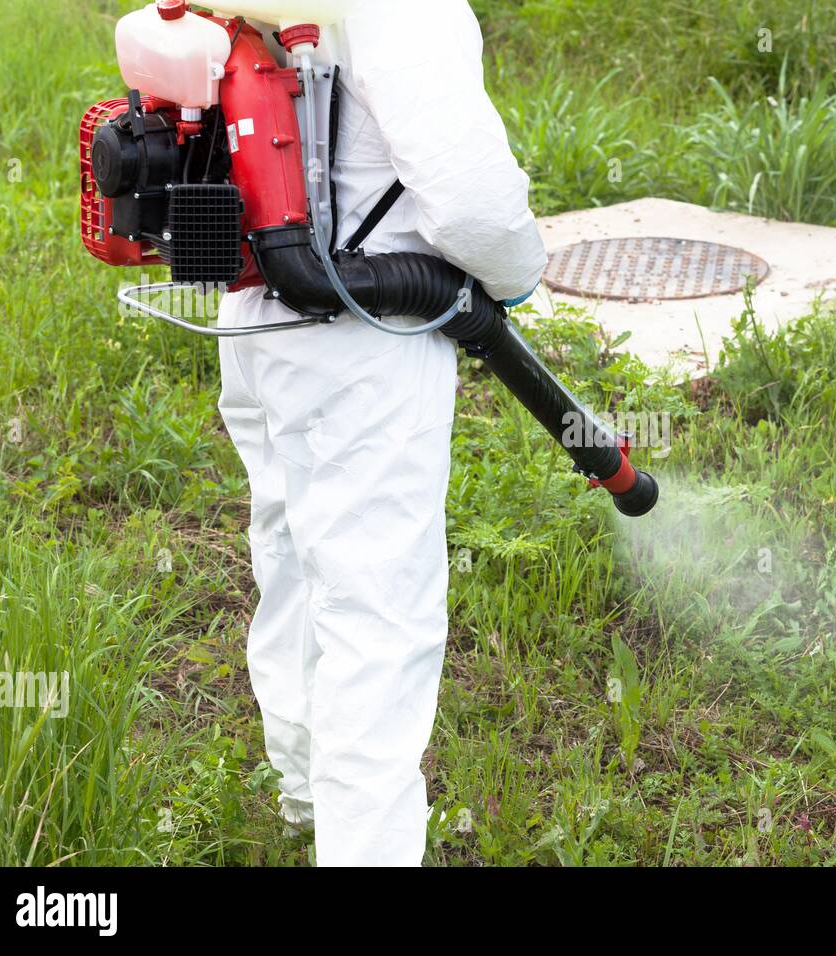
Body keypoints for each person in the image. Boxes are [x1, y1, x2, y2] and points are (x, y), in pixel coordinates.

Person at [216, 0, 545, 867]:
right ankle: (366, 849)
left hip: (253, 320)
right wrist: (518, 272)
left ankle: (300, 788)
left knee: (291, 553)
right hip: (360, 337)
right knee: (378, 609)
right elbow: (473, 205)